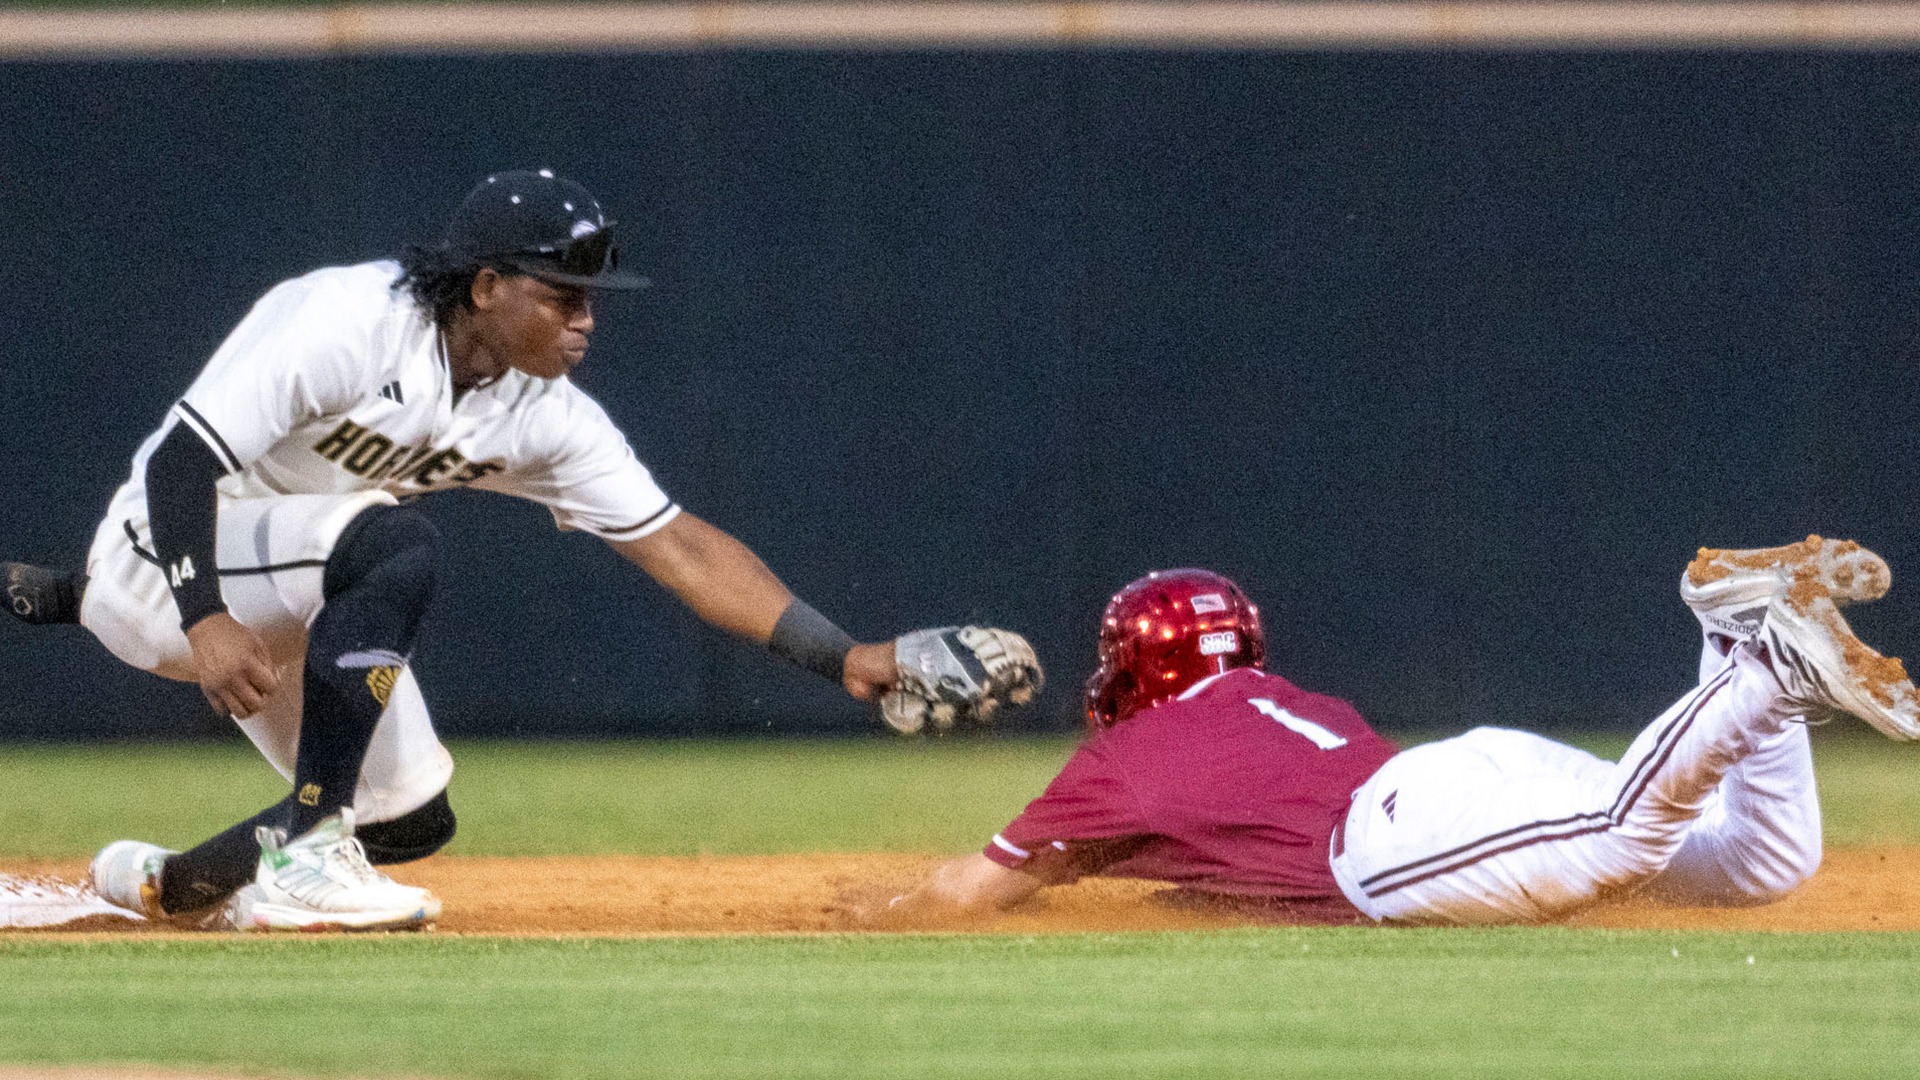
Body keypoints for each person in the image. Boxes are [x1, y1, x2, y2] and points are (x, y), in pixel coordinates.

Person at [1, 169, 959, 931]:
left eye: (592, 300)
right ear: (487, 284)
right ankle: (303, 856)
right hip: (168, 568)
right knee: (395, 544)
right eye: (564, 295)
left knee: (412, 816)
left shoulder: (542, 412)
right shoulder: (347, 320)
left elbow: (684, 551)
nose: (586, 319)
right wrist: (205, 617)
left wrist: (848, 657)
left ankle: (171, 882)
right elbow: (179, 463)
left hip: (293, 595)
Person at [881, 538, 1918, 926]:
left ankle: (1761, 662)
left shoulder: (1123, 763)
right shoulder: (1283, 705)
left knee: (1624, 826)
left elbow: (968, 893)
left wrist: (871, 916)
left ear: (1134, 668)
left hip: (1393, 841)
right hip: (1451, 777)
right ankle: (1742, 652)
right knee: (1757, 862)